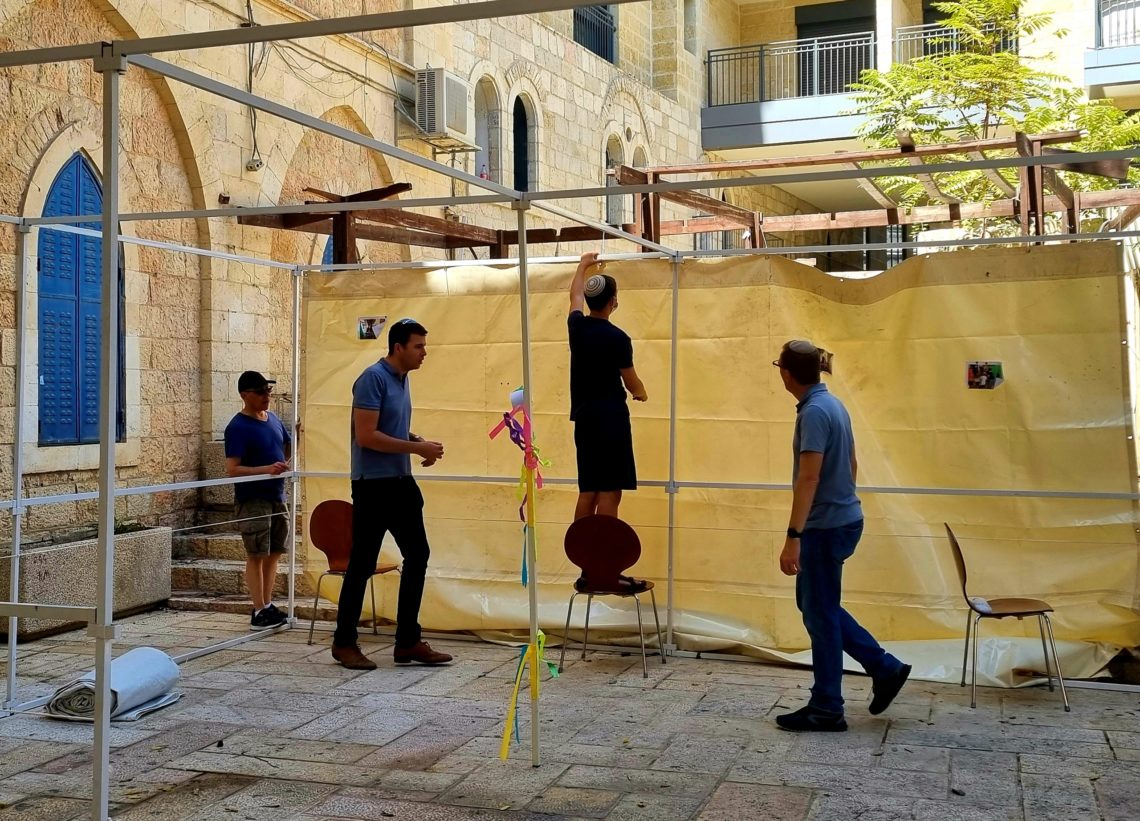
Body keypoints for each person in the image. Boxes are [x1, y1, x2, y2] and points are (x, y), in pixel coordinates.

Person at [773, 340, 911, 732]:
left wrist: (794, 535)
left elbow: (809, 477)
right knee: (818, 606)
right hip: (843, 518)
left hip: (824, 527)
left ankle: (828, 705)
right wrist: (843, 502)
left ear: (786, 373)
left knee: (820, 612)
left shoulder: (814, 412)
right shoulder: (832, 404)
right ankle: (884, 668)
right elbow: (851, 462)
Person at [331, 318, 453, 670]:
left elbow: (389, 428)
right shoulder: (372, 379)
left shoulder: (403, 379)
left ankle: (408, 642)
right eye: (418, 346)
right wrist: (416, 450)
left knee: (419, 554)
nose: (424, 353)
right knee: (362, 564)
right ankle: (343, 642)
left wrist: (415, 441)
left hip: (400, 483)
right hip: (373, 485)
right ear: (398, 347)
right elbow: (366, 436)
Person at [567, 251, 647, 522]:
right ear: (613, 302)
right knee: (610, 490)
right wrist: (641, 392)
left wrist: (582, 266)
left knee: (588, 489)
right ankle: (602, 559)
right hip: (611, 419)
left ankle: (583, 555)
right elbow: (630, 379)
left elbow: (574, 296)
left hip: (585, 417)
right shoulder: (618, 338)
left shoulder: (576, 327)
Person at [224, 371, 292, 631]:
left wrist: (283, 463)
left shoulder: (273, 419)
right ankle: (258, 607)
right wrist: (265, 469)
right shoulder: (238, 427)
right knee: (256, 554)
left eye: (269, 391)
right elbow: (232, 469)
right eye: (261, 392)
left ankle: (267, 603)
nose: (267, 396)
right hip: (253, 498)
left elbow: (285, 445)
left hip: (276, 494)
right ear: (245, 395)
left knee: (274, 552)